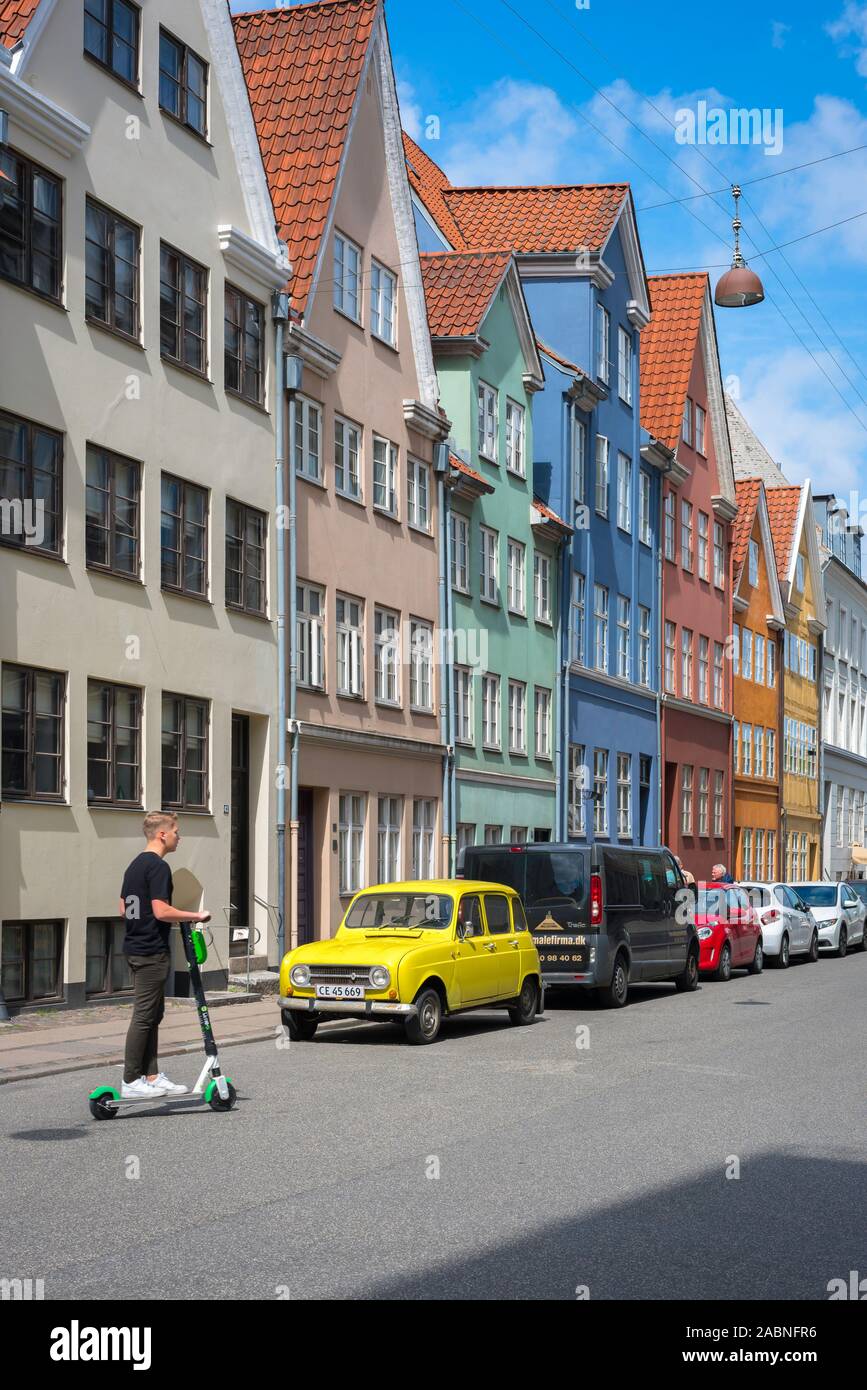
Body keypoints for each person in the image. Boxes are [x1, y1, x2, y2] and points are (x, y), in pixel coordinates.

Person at [119, 811, 210, 1100]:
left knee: (153, 1014)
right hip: (150, 951)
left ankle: (152, 1076)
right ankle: (131, 1080)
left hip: (135, 947)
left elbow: (124, 907)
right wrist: (196, 914)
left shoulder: (134, 866)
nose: (178, 837)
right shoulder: (157, 867)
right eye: (176, 832)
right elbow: (161, 910)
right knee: (145, 1016)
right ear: (162, 835)